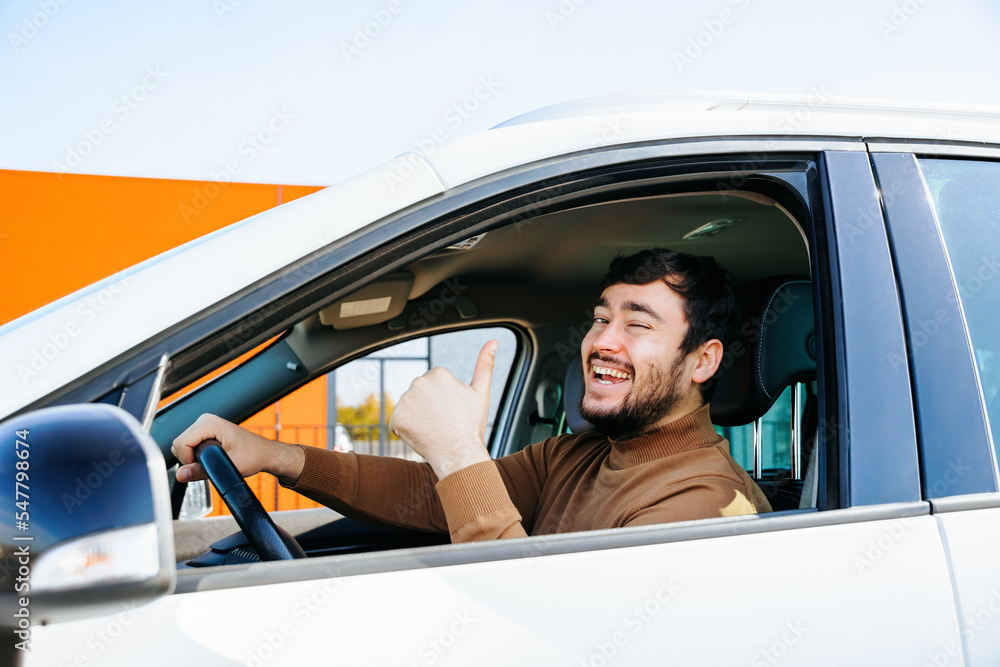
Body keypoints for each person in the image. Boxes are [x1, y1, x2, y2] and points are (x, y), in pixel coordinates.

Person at [173, 248, 771, 543]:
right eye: (599, 318)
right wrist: (272, 455)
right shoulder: (577, 454)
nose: (602, 342)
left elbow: (544, 631)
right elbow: (435, 499)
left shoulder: (711, 506)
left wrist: (461, 447)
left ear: (703, 360)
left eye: (638, 325)